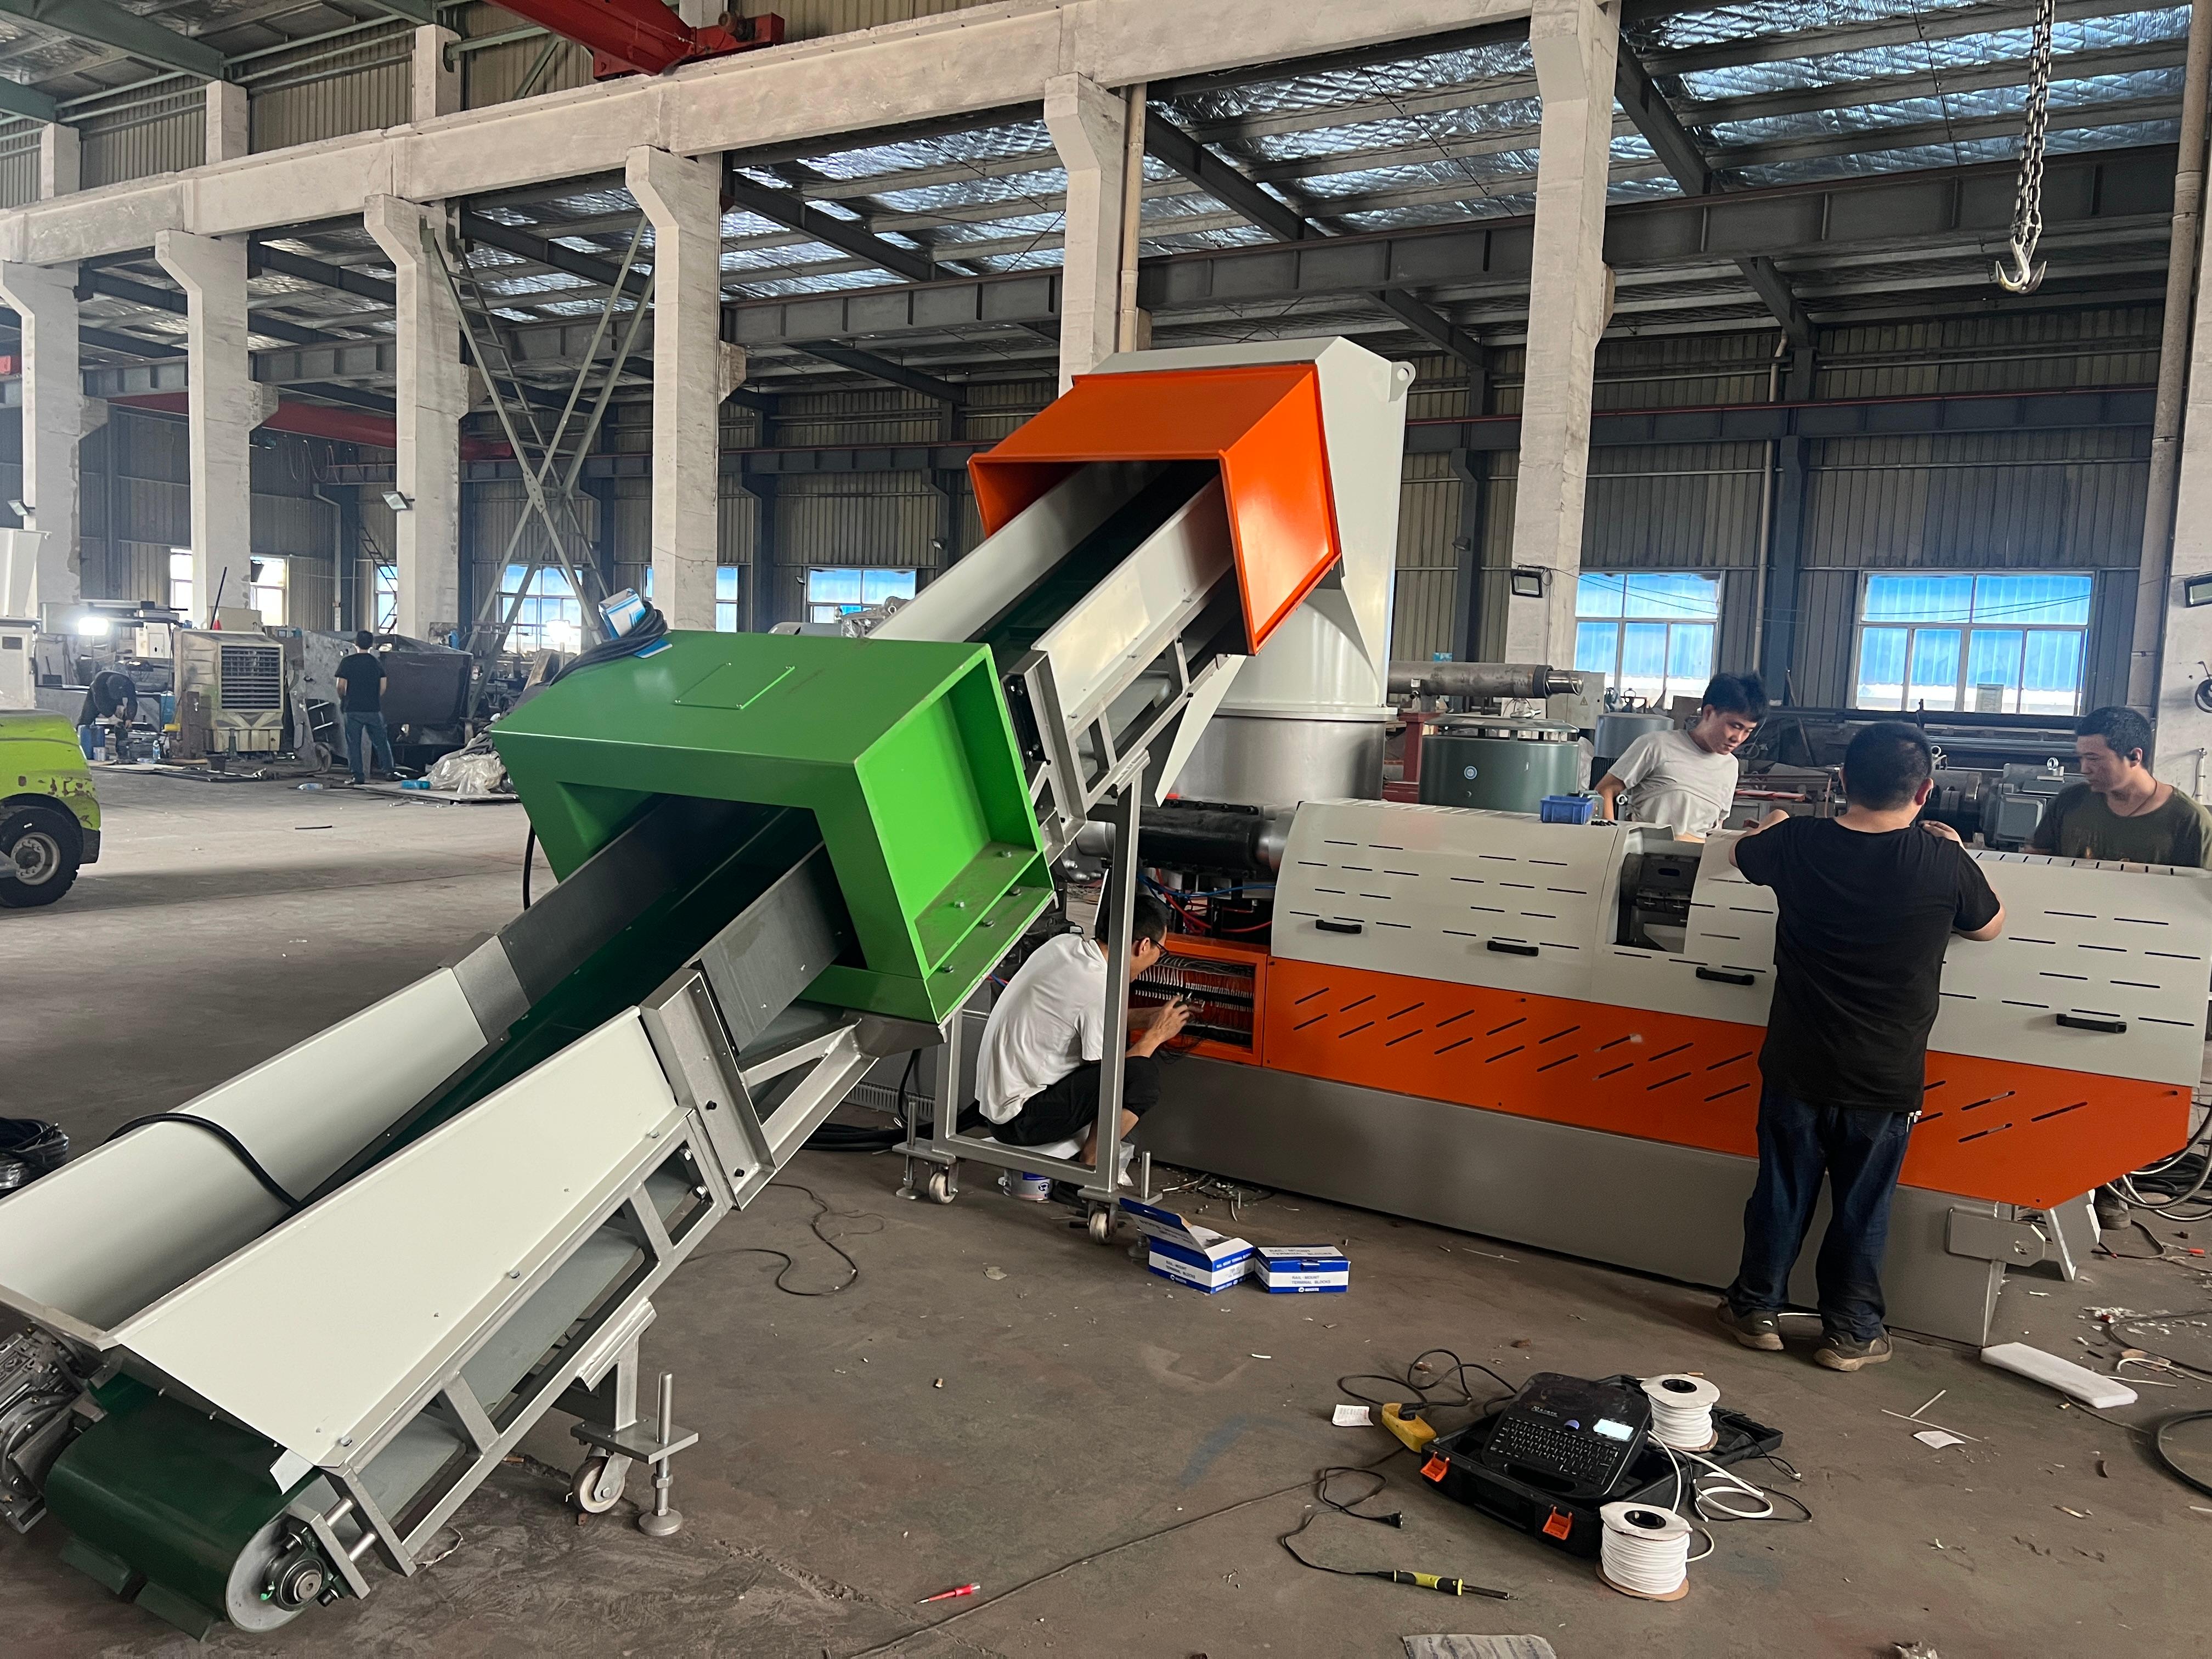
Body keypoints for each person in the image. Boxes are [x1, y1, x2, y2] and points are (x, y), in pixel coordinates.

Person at [1717, 721, 2005, 1372]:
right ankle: (1850, 1332)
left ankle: (1755, 1309)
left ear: (1843, 781)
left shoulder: (1798, 843)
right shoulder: (1942, 862)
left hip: (1797, 1063)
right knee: (1862, 1205)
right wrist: (1956, 850)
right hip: (1885, 1077)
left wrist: (1775, 821)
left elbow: (1739, 853)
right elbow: (1989, 926)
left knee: (1781, 1190)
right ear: (1925, 792)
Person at [970, 895, 1192, 1170]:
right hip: (1019, 1121)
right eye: (1161, 950)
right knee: (1142, 1077)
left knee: (1134, 1065)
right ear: (1144, 945)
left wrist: (1150, 1018)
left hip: (997, 1105)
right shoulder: (1099, 988)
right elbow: (1114, 1078)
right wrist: (1156, 1035)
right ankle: (1090, 1166)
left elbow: (1088, 1015)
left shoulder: (1065, 946)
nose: (1158, 958)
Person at [2025, 704, 2212, 866]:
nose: (2084, 769)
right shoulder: (2069, 802)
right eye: (2081, 758)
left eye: (2094, 759)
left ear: (2134, 757)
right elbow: (2037, 860)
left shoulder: (2190, 821)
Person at [1594, 673, 1768, 839]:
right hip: (1645, 854)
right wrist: (1612, 839)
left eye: (1748, 731)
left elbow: (1717, 825)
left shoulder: (1730, 766)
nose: (1738, 738)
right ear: (1708, 712)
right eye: (1735, 726)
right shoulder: (1657, 746)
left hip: (1699, 856)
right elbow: (1605, 790)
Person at [336, 630, 393, 786]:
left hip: (352, 709)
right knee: (381, 741)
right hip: (373, 709)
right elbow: (383, 686)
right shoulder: (377, 663)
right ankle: (389, 771)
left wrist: (344, 698)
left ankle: (358, 776)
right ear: (372, 645)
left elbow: (341, 686)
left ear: (355, 644)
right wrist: (373, 698)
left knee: (354, 743)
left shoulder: (347, 662)